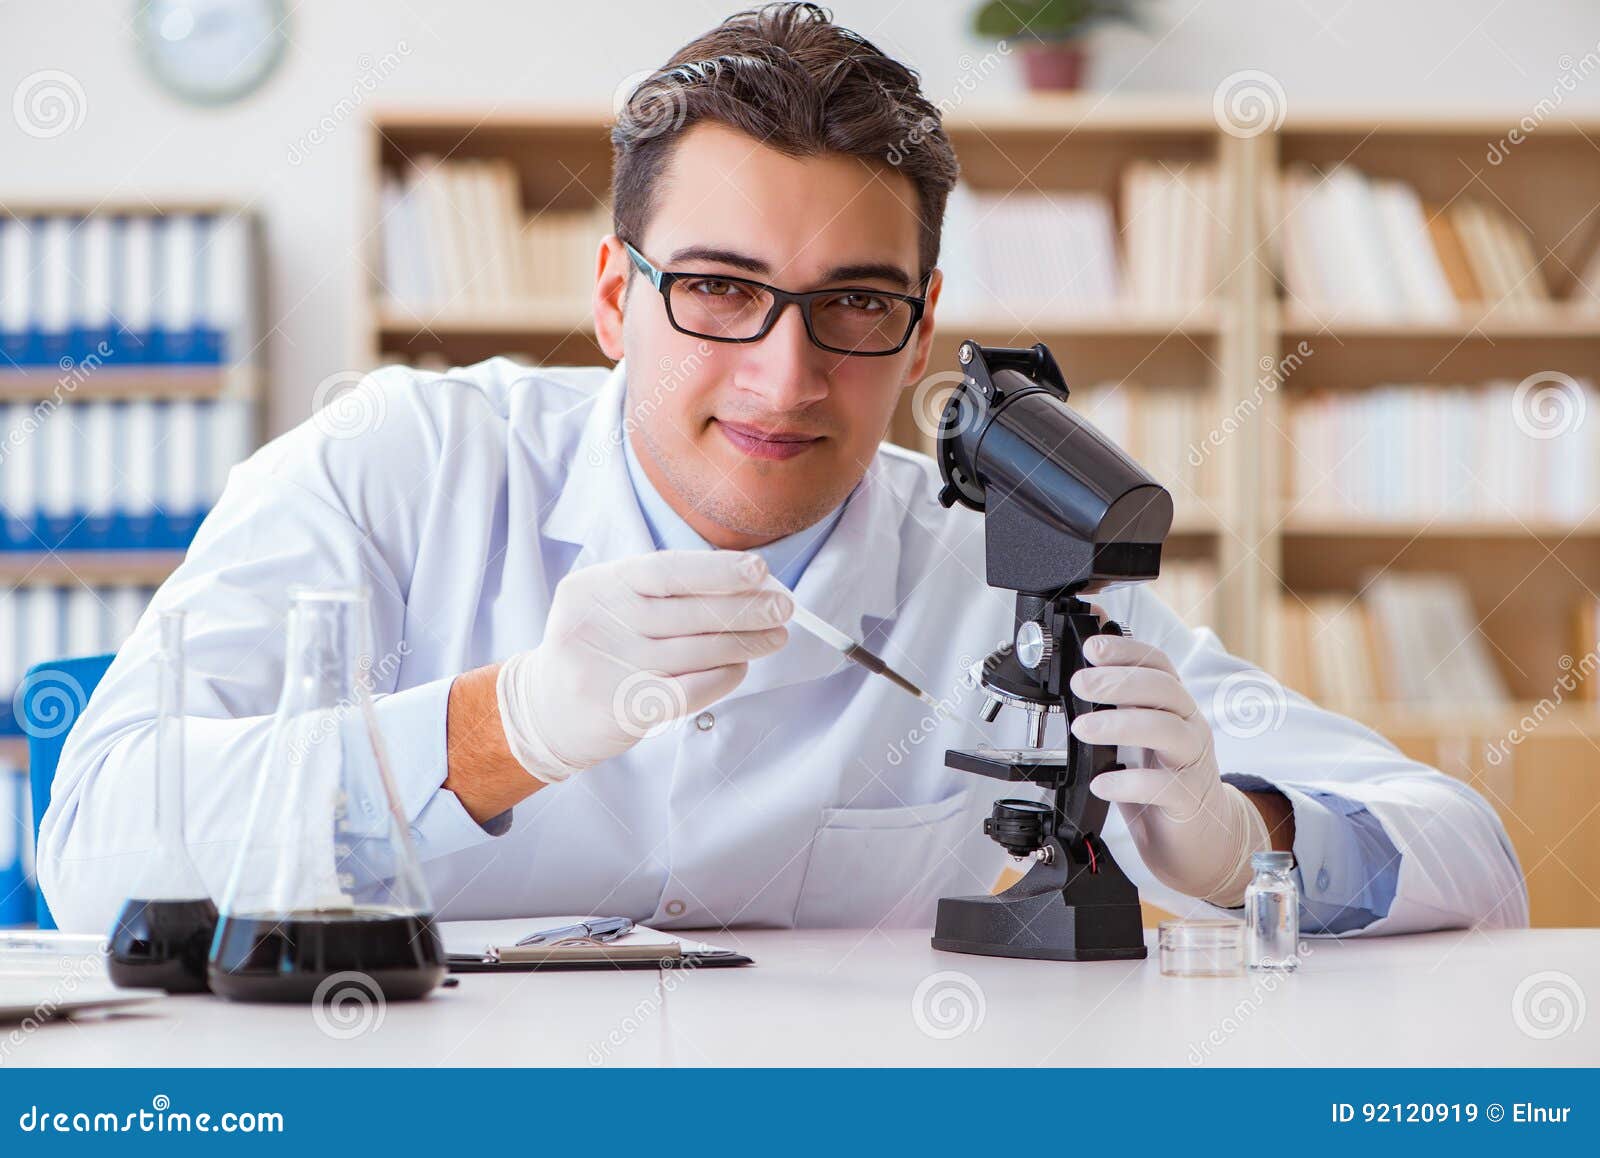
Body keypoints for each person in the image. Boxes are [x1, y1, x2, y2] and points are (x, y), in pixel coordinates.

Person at [39, 3, 1526, 937]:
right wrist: (501, 729)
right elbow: (99, 844)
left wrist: (1235, 836)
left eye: (855, 304)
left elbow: (1472, 854)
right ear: (615, 296)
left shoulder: (994, 568)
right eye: (720, 288)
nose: (786, 372)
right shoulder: (403, 463)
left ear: (923, 322)